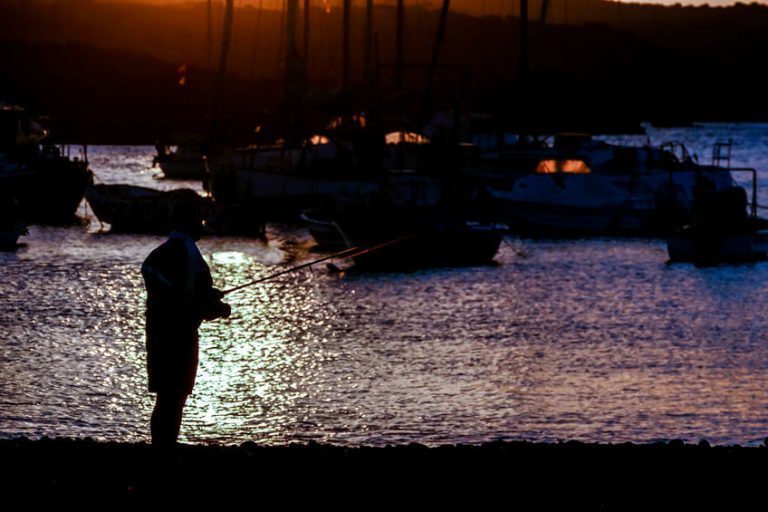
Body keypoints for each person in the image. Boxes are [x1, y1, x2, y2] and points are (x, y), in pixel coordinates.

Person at [141, 200, 231, 447]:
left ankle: (160, 446)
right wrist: (220, 309)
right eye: (200, 220)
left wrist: (205, 297)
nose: (202, 225)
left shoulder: (156, 255)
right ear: (189, 222)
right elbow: (198, 301)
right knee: (176, 394)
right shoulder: (190, 252)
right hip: (181, 334)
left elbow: (181, 290)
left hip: (156, 330)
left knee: (164, 394)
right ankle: (166, 447)